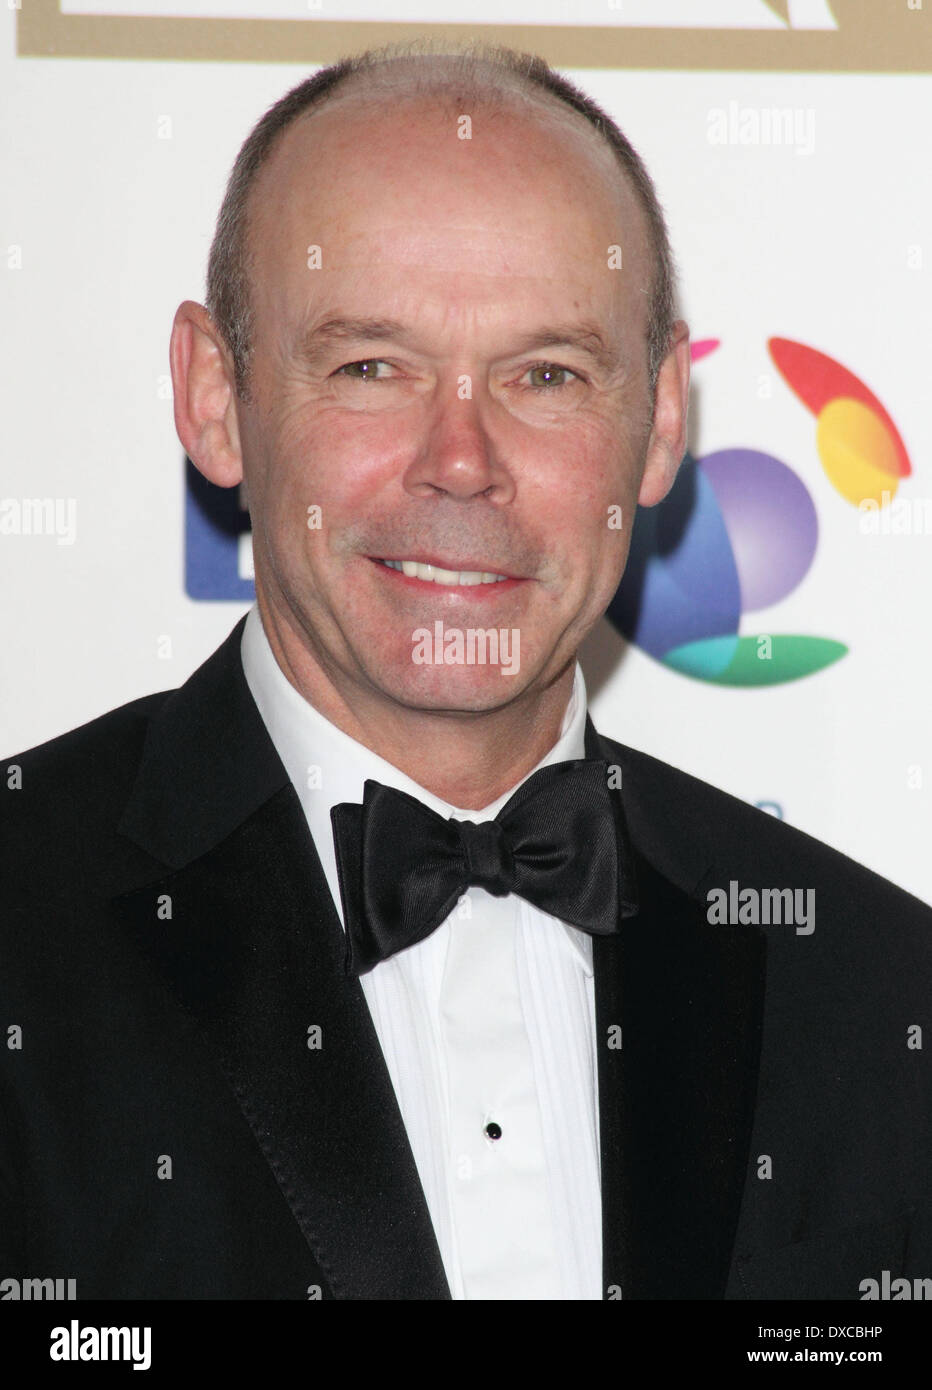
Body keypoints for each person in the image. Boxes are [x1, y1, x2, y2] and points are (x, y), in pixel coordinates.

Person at [2, 40, 930, 1303]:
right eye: (368, 365)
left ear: (658, 421)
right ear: (216, 397)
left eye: (544, 373)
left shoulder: (878, 992)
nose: (459, 460)